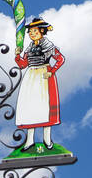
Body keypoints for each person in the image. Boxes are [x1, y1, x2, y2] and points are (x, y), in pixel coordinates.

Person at [14, 17, 64, 153]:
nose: (31, 33)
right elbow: (23, 64)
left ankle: (47, 139)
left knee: (44, 107)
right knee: (31, 107)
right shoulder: (29, 48)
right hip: (31, 76)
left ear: (42, 31)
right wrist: (18, 56)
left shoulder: (48, 45)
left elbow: (60, 59)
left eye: (34, 31)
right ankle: (29, 141)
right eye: (30, 31)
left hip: (44, 75)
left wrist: (51, 71)